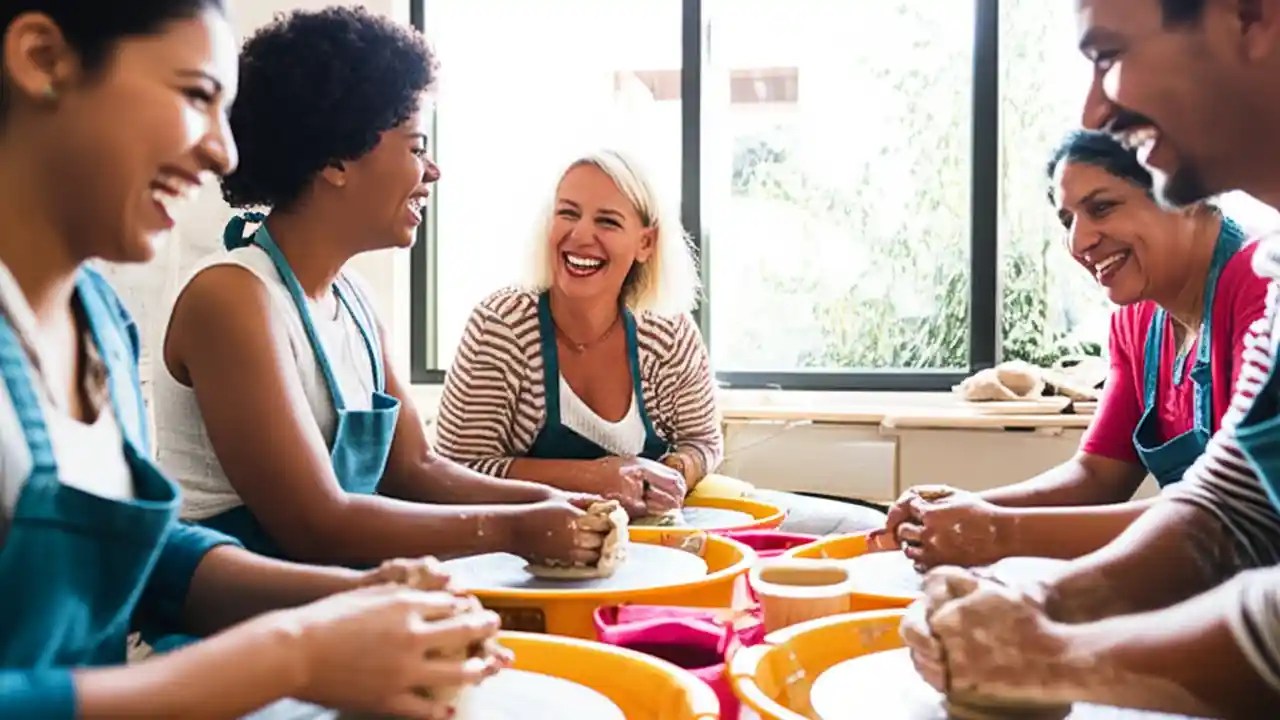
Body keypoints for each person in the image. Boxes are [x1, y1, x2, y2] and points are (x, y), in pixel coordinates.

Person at [0, 2, 505, 718]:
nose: (223, 153)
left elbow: (150, 558)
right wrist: (293, 651)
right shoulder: (228, 296)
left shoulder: (101, 319)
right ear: (43, 60)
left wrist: (357, 600)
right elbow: (312, 524)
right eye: (196, 95)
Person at [903, 0, 1280, 716]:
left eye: (1107, 55)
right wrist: (1036, 600)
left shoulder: (1251, 289)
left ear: (1251, 16)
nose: (1095, 106)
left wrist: (1052, 655)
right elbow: (1230, 513)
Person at [154, 7, 610, 568]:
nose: (433, 171)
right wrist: (517, 529)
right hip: (219, 632)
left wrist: (565, 504)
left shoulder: (355, 302)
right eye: (416, 146)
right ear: (336, 161)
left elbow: (418, 470)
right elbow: (317, 525)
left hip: (330, 608)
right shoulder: (231, 298)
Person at [869, 129, 1267, 569]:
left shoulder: (1264, 290)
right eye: (1067, 222)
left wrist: (997, 531)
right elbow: (1097, 476)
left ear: (1185, 193)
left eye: (1102, 208)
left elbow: (1237, 511)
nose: (1079, 244)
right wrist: (959, 511)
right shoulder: (1136, 321)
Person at [435, 148, 887, 534]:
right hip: (527, 543)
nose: (580, 235)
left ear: (645, 243)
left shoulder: (666, 331)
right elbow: (455, 473)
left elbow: (703, 441)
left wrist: (668, 477)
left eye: (607, 221)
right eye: (567, 213)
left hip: (652, 541)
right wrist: (598, 478)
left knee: (863, 528)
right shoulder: (502, 326)